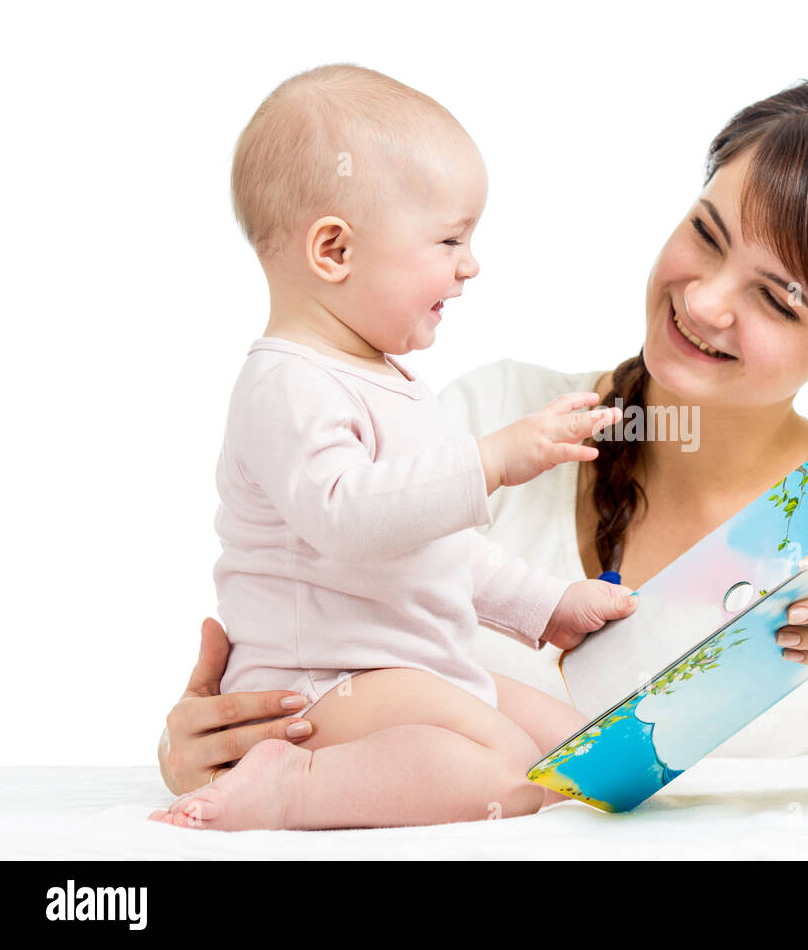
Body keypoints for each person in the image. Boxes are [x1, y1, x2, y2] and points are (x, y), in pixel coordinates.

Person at [158, 79, 808, 803]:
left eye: (775, 296)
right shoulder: (490, 421)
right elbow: (311, 655)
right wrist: (206, 748)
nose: (703, 300)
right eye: (706, 231)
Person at [150, 64, 639, 831]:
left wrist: (546, 608)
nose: (469, 264)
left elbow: (429, 546)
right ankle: (294, 785)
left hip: (406, 671)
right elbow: (346, 515)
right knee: (510, 774)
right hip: (324, 682)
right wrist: (491, 459)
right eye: (449, 238)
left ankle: (341, 775)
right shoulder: (288, 382)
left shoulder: (391, 383)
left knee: (589, 757)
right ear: (335, 251)